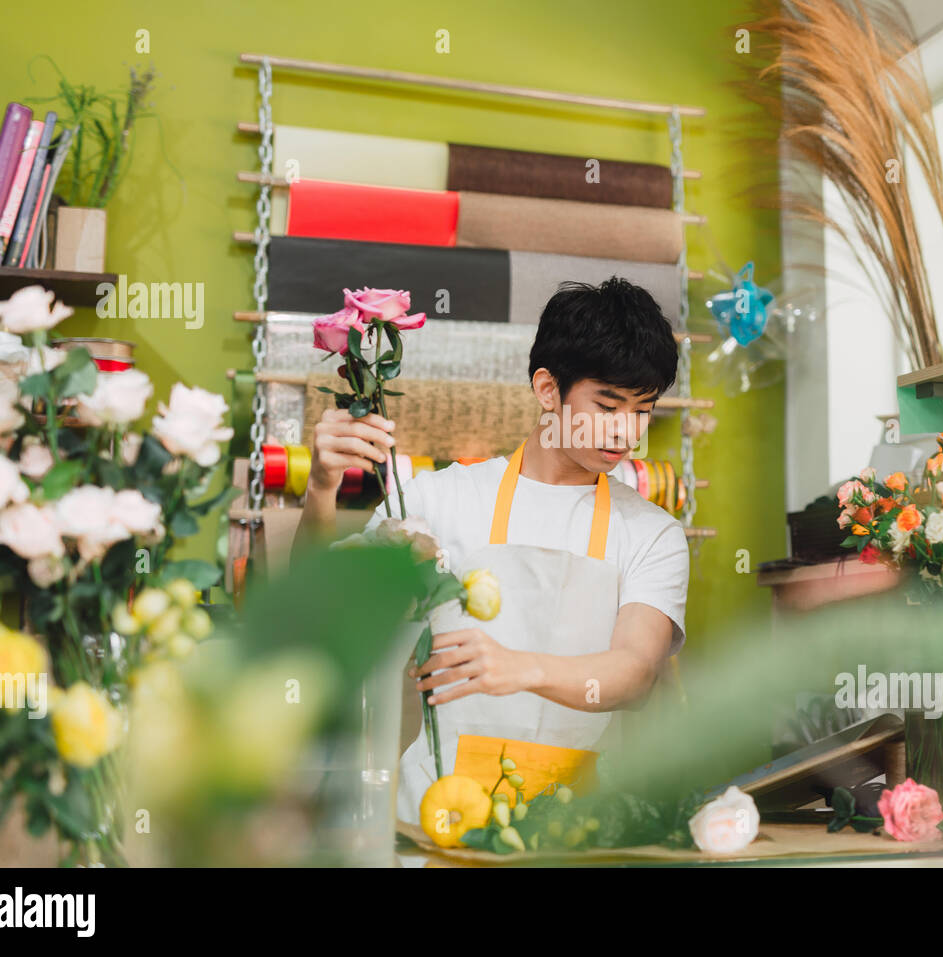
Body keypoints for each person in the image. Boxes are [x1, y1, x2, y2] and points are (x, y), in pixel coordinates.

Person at [293, 277, 690, 823]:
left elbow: (635, 672)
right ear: (548, 389)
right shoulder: (439, 498)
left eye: (643, 410)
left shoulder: (652, 533)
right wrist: (320, 489)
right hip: (439, 823)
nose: (627, 433)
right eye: (608, 404)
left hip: (579, 830)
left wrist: (520, 668)